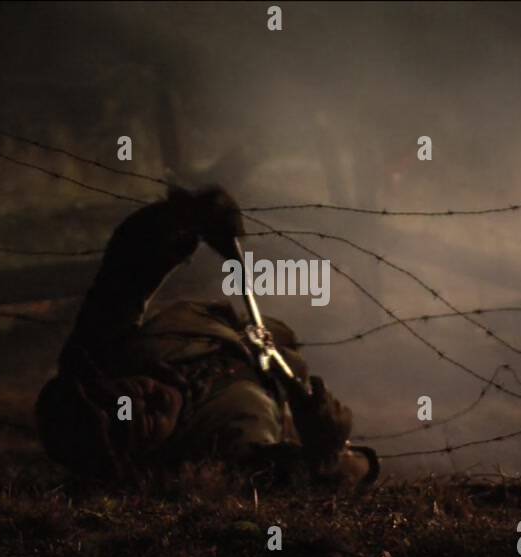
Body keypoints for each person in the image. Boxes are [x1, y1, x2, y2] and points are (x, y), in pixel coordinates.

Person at [36, 187, 378, 488]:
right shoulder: (216, 459)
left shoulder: (111, 354)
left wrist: (184, 216)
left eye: (122, 400)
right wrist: (328, 451)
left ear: (107, 381)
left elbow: (125, 270)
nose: (142, 404)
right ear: (135, 456)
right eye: (133, 427)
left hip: (267, 329)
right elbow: (335, 475)